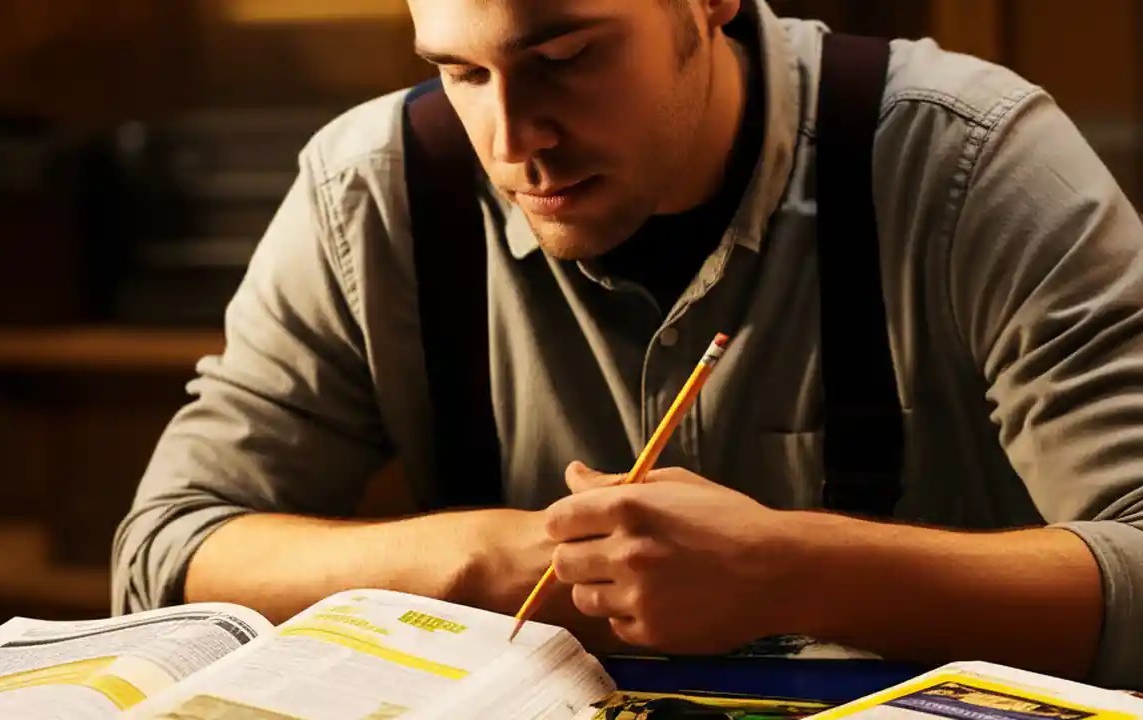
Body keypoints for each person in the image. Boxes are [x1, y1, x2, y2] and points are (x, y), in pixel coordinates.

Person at [112, 0, 1143, 690]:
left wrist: (795, 572)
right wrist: (506, 562)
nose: (513, 140)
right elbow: (166, 555)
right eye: (460, 71)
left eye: (564, 59)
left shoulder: (963, 162)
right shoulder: (373, 191)